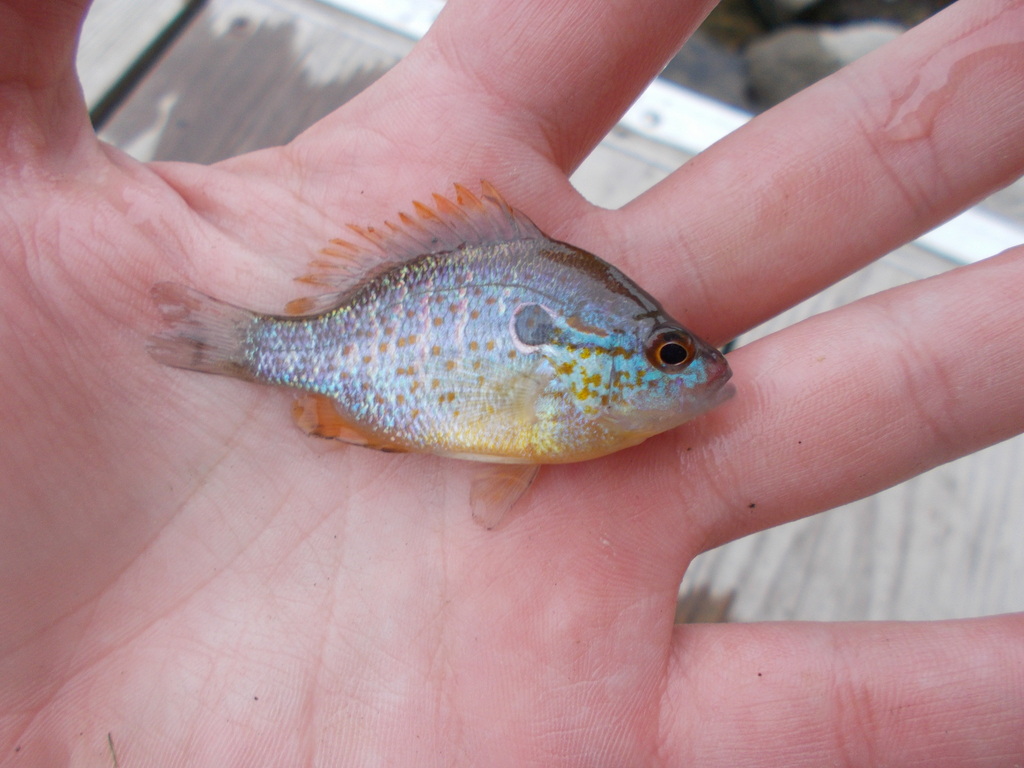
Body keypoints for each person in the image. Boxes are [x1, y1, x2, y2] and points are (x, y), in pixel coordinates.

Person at [1, 0, 1022, 763]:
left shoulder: (581, 403)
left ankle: (262, 345)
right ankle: (257, 344)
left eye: (679, 353)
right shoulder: (569, 398)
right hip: (362, 370)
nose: (704, 372)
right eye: (671, 355)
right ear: (607, 362)